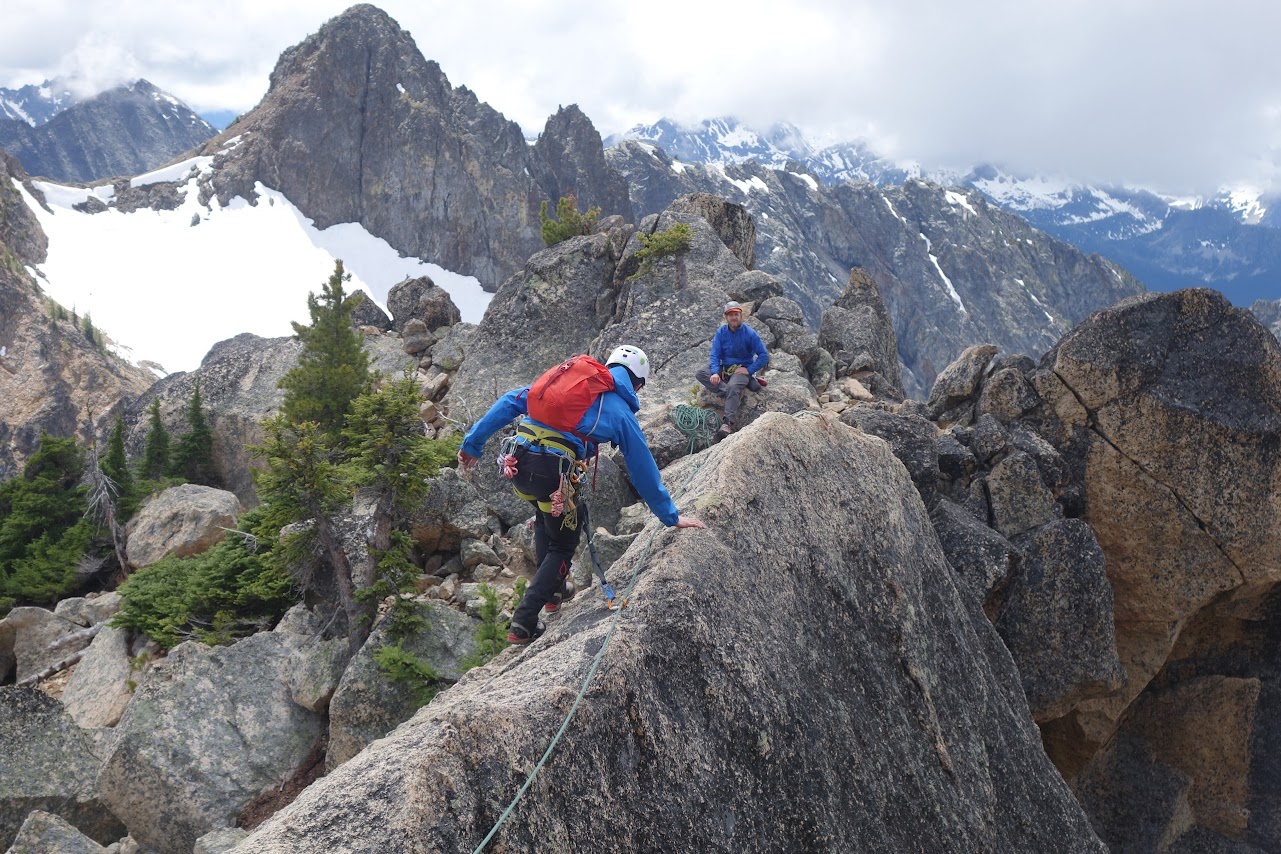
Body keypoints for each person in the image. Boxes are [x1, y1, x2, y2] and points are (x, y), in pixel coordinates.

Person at [457, 344, 706, 644]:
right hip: (552, 471)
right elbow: (642, 467)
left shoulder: (571, 384)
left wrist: (472, 444)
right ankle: (523, 622)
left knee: (546, 513)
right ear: (637, 383)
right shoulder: (619, 410)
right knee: (563, 545)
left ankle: (554, 591)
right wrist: (671, 516)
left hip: (519, 463)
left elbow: (510, 401)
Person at [696, 300, 770, 439]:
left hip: (741, 369)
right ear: (726, 317)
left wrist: (749, 370)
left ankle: (728, 423)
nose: (734, 317)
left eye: (736, 314)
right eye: (731, 315)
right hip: (725, 367)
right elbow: (715, 354)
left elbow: (764, 355)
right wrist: (714, 372)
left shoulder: (749, 333)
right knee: (700, 373)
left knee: (733, 385)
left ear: (741, 315)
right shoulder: (721, 332)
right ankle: (732, 393)